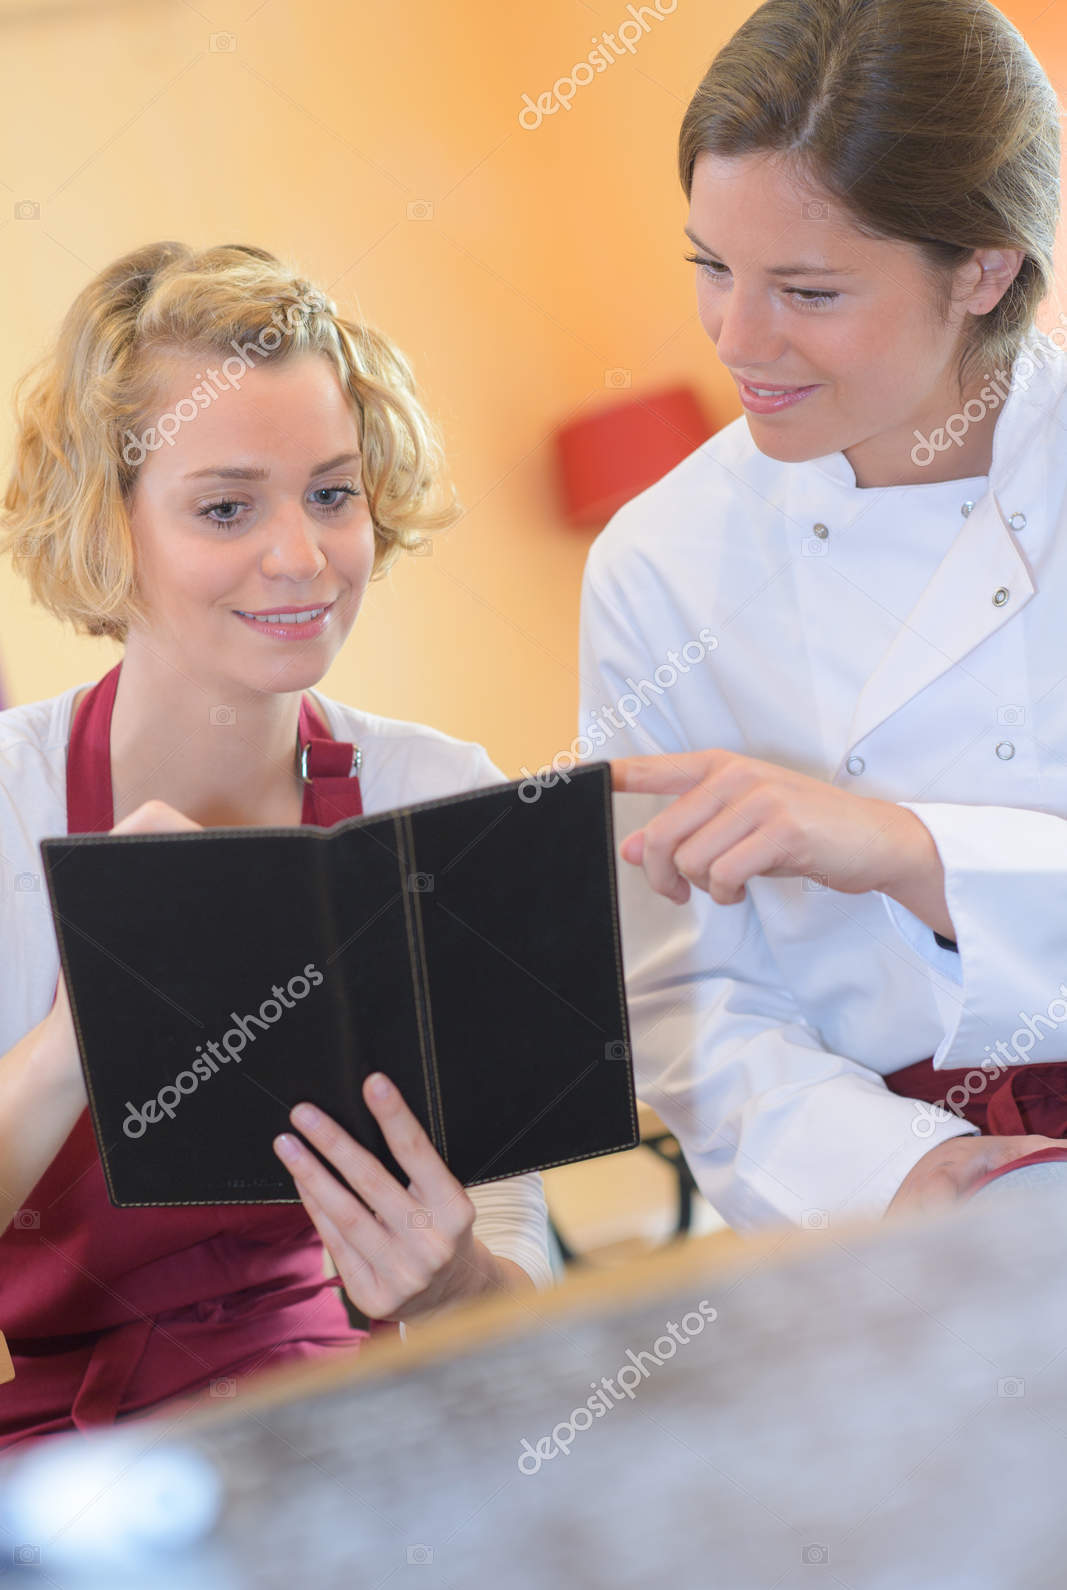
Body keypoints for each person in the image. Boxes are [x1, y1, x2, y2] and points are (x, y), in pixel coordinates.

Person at [0, 241, 551, 1446]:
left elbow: (512, 1269)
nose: (301, 554)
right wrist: (63, 1047)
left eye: (333, 491)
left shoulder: (438, 798)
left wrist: (450, 1279)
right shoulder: (9, 805)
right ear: (107, 521)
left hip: (351, 1409)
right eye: (225, 505)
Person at [579, 0, 1067, 1230]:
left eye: (806, 288)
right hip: (898, 1209)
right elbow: (686, 989)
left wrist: (901, 847)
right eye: (708, 265)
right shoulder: (660, 562)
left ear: (984, 268)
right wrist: (891, 1169)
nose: (738, 339)